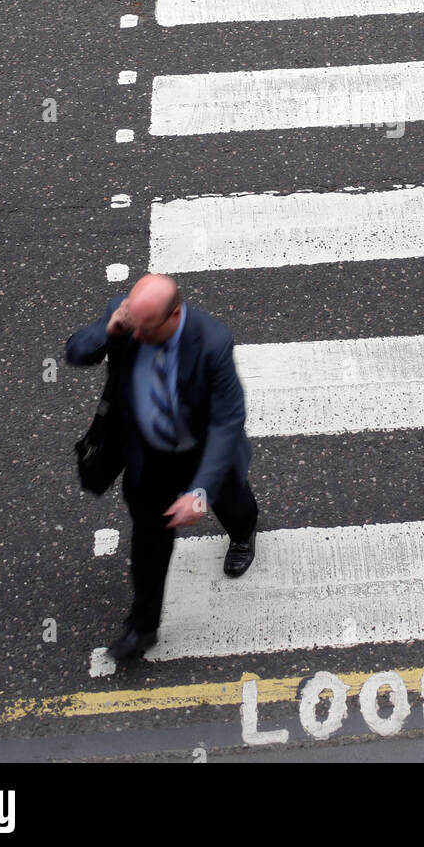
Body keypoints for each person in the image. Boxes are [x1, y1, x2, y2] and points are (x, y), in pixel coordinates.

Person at [65, 274, 258, 665]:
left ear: (175, 315)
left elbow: (227, 420)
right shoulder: (128, 318)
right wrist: (109, 329)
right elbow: (76, 353)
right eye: (132, 325)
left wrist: (200, 492)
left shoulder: (212, 342)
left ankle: (243, 534)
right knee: (149, 541)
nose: (136, 336)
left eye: (145, 329)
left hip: (201, 452)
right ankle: (142, 626)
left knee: (233, 504)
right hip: (147, 455)